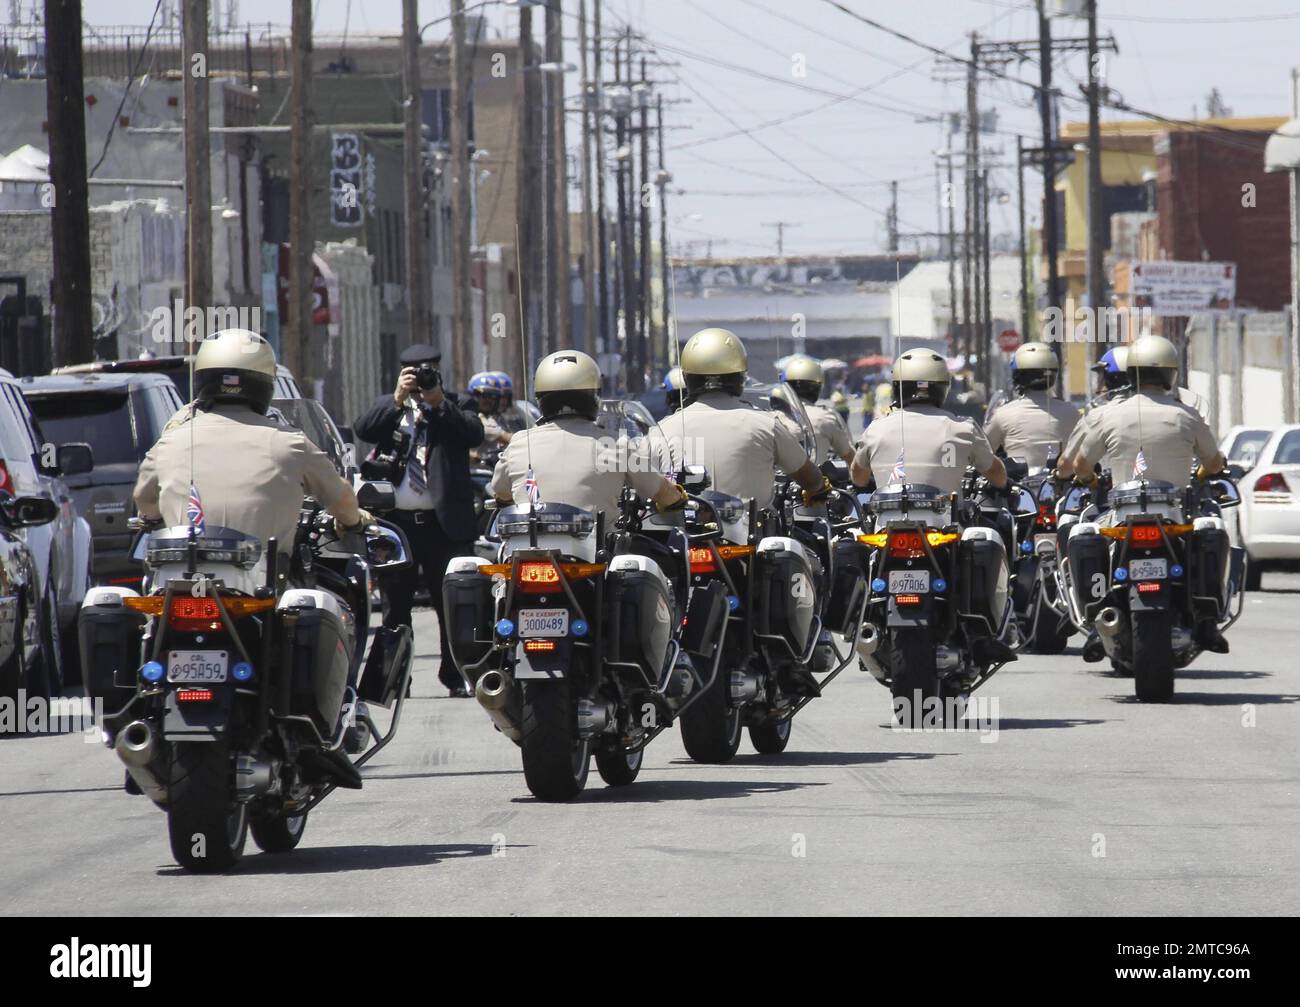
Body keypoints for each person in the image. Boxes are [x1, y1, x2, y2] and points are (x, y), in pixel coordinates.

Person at [135, 328, 367, 554]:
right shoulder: (291, 442)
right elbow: (341, 499)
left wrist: (157, 518)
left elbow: (144, 499)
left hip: (180, 583)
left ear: (202, 378)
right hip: (261, 583)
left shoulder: (170, 441)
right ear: (265, 384)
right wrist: (355, 522)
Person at [353, 344, 484, 697]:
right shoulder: (390, 407)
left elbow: (474, 434)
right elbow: (363, 429)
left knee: (452, 605)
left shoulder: (457, 405)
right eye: (413, 374)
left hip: (445, 525)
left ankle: (455, 676)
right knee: (396, 607)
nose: (420, 380)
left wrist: (439, 401)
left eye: (427, 373)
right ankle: (397, 680)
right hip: (397, 524)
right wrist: (396, 400)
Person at [489, 350, 685, 517]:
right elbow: (660, 491)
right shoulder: (617, 445)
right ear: (594, 396)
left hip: (526, 549)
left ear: (540, 398)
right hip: (596, 555)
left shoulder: (520, 443)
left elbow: (501, 492)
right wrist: (678, 498)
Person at [673, 328, 830, 512]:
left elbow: (647, 486)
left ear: (686, 377)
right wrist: (820, 487)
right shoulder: (766, 425)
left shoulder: (664, 428)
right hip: (754, 534)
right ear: (741, 376)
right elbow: (811, 479)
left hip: (683, 535)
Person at [1066, 334, 1225, 494]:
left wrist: (1092, 481)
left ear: (1131, 372)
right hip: (1178, 511)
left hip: (1122, 513)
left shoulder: (1107, 415)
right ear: (1171, 373)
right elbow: (1215, 465)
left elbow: (1081, 466)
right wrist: (1200, 475)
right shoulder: (1188, 416)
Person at [851, 348, 1008, 496]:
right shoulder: (964, 428)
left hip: (886, 523)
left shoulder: (876, 428)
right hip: (948, 522)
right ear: (944, 387)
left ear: (897, 386)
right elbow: (996, 475)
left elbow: (858, 477)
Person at [984, 342, 1081, 474]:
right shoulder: (1071, 412)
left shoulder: (1003, 414)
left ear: (1018, 375)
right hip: (1060, 489)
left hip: (1018, 491)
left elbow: (984, 453)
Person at [781, 355, 854, 465]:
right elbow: (850, 457)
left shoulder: (772, 418)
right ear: (817, 387)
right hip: (813, 480)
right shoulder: (825, 417)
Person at [468, 372, 512, 457]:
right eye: (485, 396)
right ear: (474, 395)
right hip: (476, 468)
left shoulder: (495, 418)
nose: (489, 401)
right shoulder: (473, 417)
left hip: (491, 467)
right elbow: (505, 437)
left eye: (493, 396)